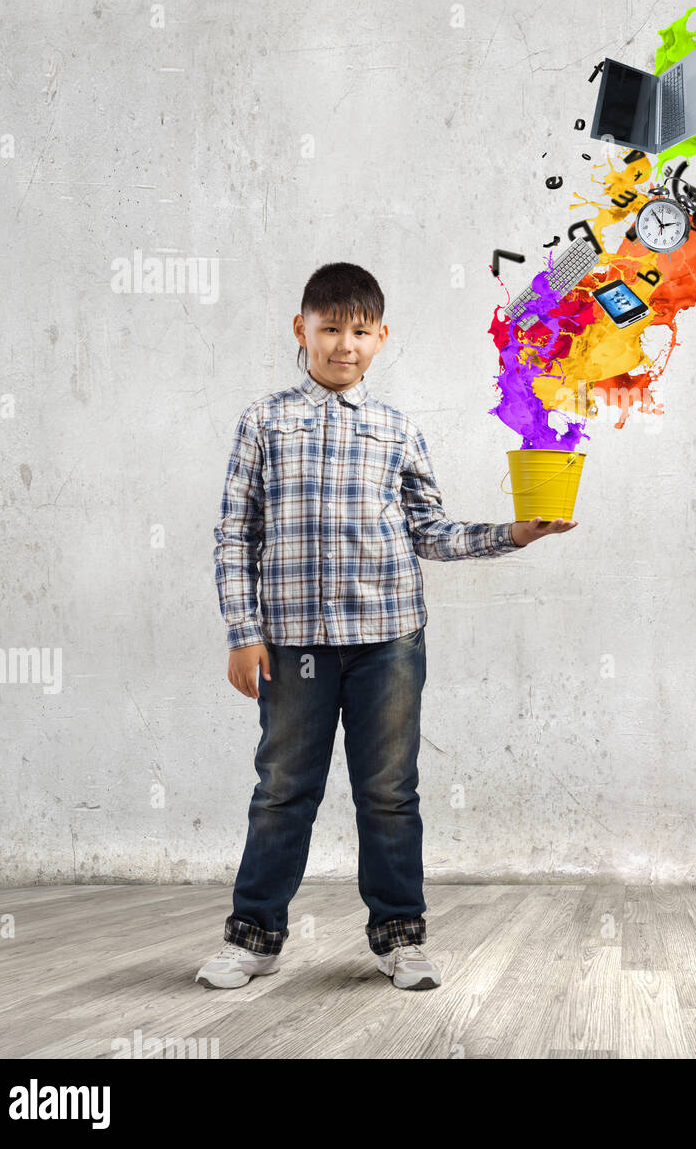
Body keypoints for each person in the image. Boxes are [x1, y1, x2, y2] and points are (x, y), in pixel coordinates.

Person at [197, 262, 576, 991]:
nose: (344, 343)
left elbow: (430, 530)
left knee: (389, 791)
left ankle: (400, 936)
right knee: (283, 788)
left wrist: (516, 534)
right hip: (294, 643)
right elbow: (232, 535)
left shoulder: (397, 430)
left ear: (382, 338)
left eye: (360, 331)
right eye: (330, 327)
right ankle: (254, 936)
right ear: (301, 329)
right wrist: (243, 634)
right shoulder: (263, 421)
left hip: (389, 640)